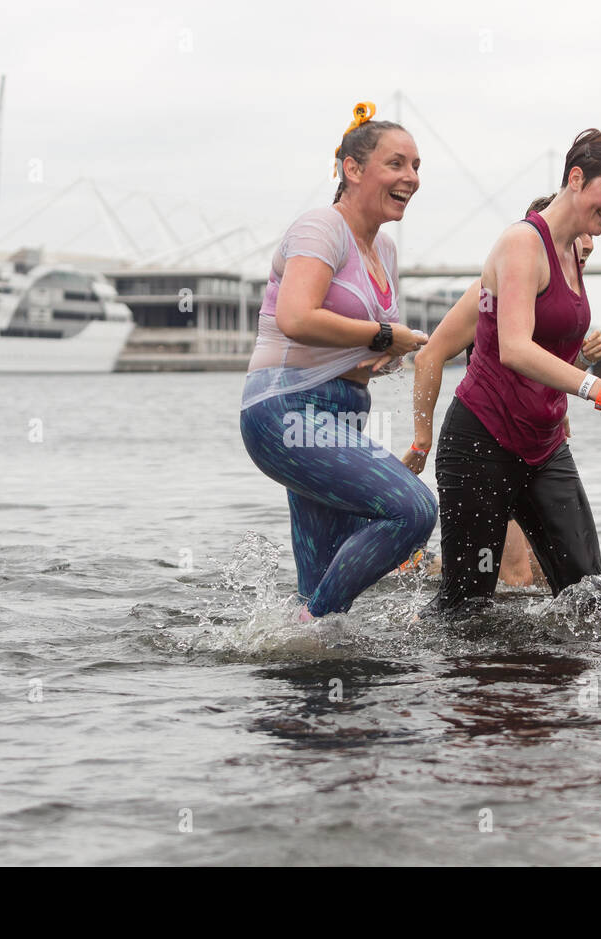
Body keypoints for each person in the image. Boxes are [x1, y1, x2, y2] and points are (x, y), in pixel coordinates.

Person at [424, 129, 601, 616]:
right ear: (576, 178)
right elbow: (514, 348)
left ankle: (561, 687)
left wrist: (579, 379)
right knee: (465, 610)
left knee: (589, 600)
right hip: (480, 443)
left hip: (545, 447)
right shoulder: (521, 243)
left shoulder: (576, 252)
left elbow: (548, 355)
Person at [239, 103, 437, 620]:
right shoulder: (320, 227)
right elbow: (297, 318)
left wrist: (391, 350)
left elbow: (373, 349)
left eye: (417, 166)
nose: (411, 178)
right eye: (397, 164)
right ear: (352, 168)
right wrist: (385, 336)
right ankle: (311, 626)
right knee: (413, 510)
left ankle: (305, 654)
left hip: (343, 412)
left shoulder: (386, 253)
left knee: (321, 581)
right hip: (285, 411)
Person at [401, 202, 601, 588]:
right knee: (513, 575)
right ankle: (425, 566)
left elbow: (541, 375)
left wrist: (579, 360)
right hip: (489, 444)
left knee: (547, 580)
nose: (587, 245)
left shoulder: (564, 299)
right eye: (578, 235)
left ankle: (433, 562)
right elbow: (429, 355)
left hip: (538, 451)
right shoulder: (495, 285)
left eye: (591, 241)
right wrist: (421, 440)